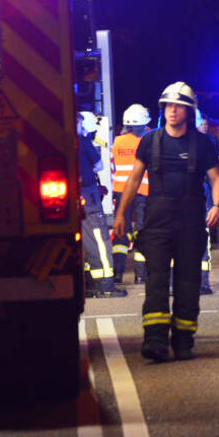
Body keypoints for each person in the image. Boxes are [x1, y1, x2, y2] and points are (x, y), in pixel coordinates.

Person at [113, 82, 219, 362]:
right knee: (157, 281)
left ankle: (184, 340)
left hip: (190, 221)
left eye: (178, 107)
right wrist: (120, 214)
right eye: (168, 106)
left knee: (188, 282)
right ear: (163, 110)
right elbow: (134, 179)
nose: (173, 111)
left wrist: (218, 206)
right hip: (157, 221)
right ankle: (155, 340)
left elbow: (216, 179)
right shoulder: (150, 141)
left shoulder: (202, 144)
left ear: (189, 111)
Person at [79, 111, 127, 298]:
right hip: (88, 196)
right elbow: (98, 166)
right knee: (99, 239)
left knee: (81, 240)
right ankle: (106, 285)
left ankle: (89, 284)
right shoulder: (83, 142)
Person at [111, 103, 151, 286]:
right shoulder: (145, 141)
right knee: (142, 231)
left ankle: (117, 274)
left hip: (120, 192)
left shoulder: (117, 142)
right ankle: (141, 275)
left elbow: (112, 167)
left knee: (121, 233)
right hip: (142, 191)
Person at [195, 108, 219, 294]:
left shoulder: (207, 142)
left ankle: (202, 283)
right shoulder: (204, 142)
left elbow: (215, 177)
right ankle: (201, 283)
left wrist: (216, 206)